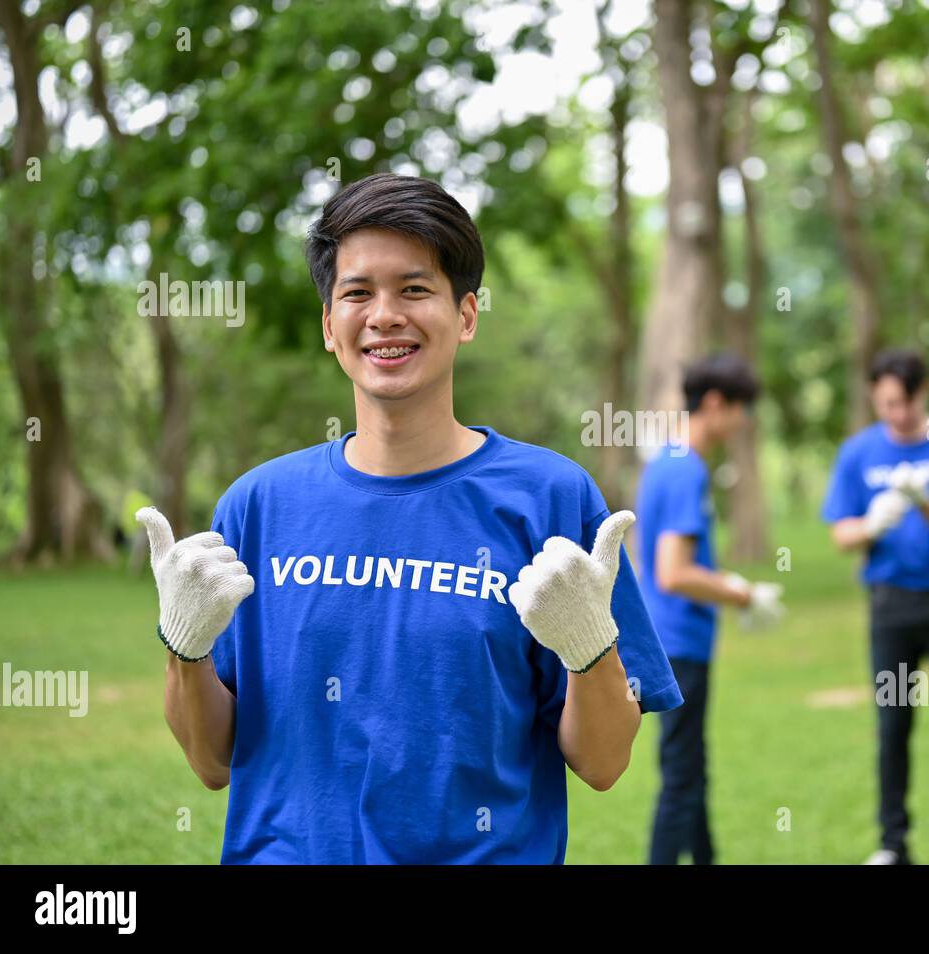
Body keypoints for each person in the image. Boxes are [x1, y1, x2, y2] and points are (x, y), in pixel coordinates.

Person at [135, 173, 683, 864]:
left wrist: (589, 648)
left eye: (415, 289)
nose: (385, 315)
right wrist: (184, 649)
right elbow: (213, 762)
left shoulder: (551, 499)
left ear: (467, 315)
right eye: (358, 293)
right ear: (329, 325)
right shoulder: (259, 506)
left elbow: (603, 764)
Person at [822, 349, 929, 865]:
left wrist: (924, 499)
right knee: (893, 723)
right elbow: (842, 534)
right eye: (886, 404)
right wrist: (873, 525)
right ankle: (892, 843)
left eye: (904, 402)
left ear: (924, 395)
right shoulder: (858, 453)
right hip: (890, 607)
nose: (896, 414)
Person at [636, 354, 784, 865]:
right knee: (681, 777)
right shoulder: (685, 470)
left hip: (676, 641)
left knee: (692, 768)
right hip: (677, 644)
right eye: (741, 410)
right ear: (716, 405)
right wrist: (742, 593)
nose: (743, 423)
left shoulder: (668, 462)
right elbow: (672, 571)